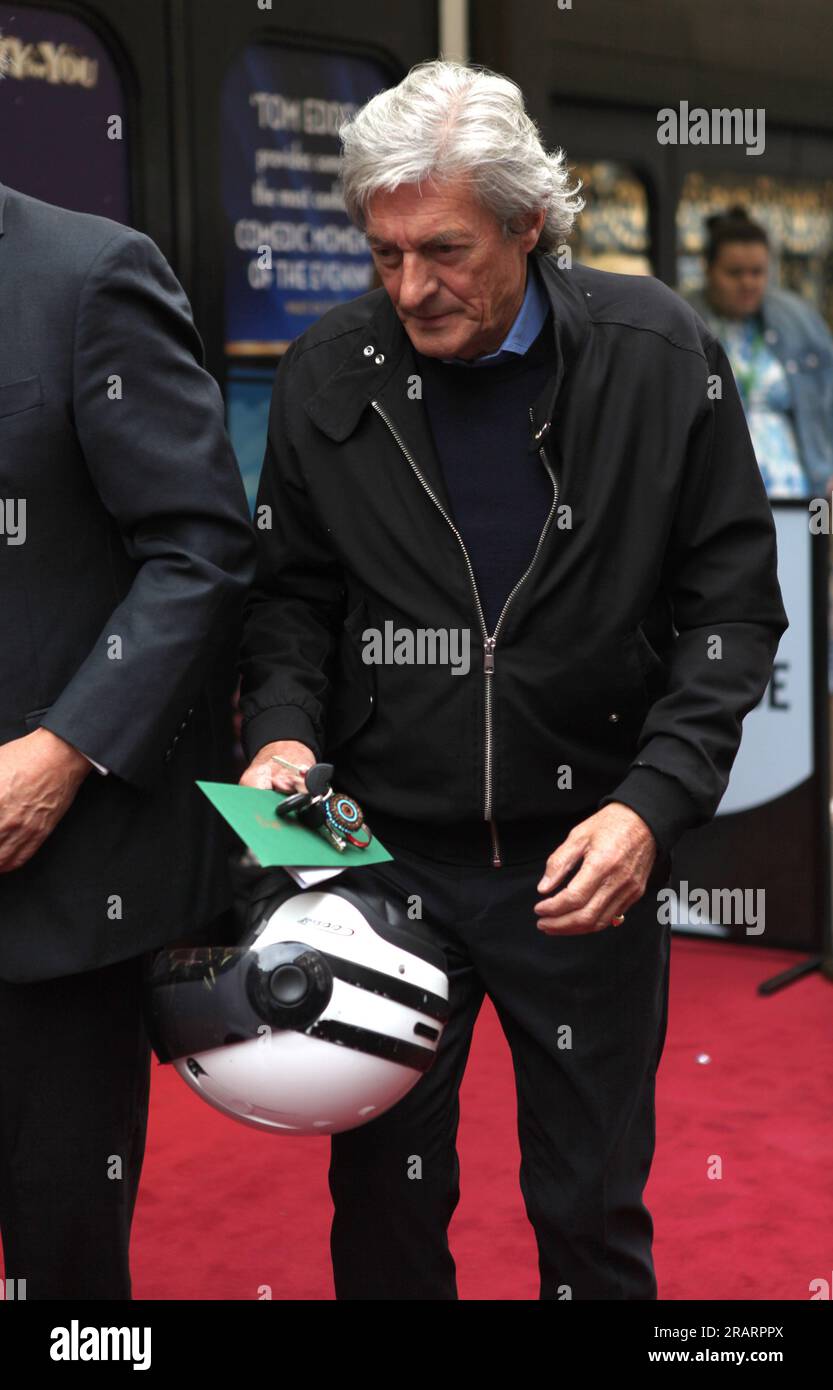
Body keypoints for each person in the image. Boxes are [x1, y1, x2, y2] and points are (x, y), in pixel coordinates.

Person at [238, 61, 788, 1300]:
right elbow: (289, 602)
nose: (410, 288)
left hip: (581, 863)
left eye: (442, 250)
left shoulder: (659, 355)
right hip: (379, 864)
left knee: (589, 1217)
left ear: (528, 221)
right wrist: (277, 733)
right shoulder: (328, 370)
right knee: (381, 1214)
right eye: (382, 255)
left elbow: (729, 615)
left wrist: (649, 805)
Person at [0, 180, 255, 1299]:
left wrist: (61, 753)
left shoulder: (89, 274)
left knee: (65, 1268)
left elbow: (200, 550)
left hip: (51, 895)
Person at [684, 205, 833, 500]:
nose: (748, 283)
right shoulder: (683, 318)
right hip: (715, 493)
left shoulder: (798, 319)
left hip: (794, 488)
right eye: (735, 273)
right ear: (707, 268)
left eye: (758, 272)